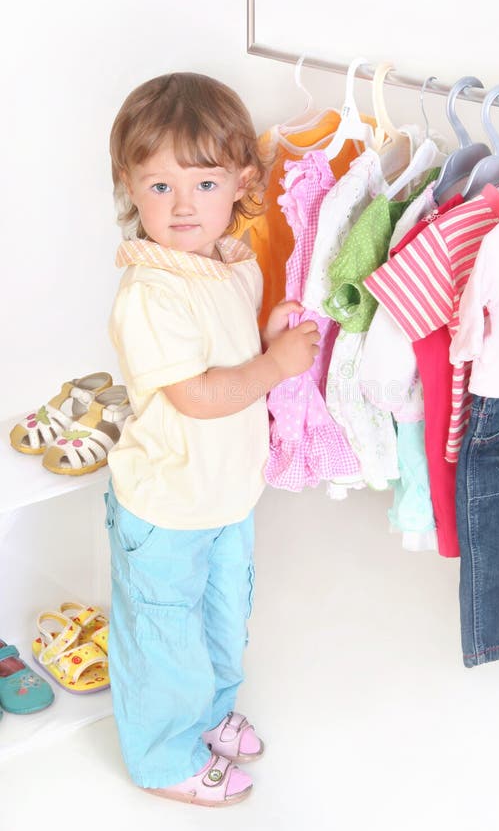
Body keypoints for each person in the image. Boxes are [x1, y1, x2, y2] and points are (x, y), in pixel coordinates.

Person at [104, 72, 319, 807]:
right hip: (167, 501)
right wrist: (272, 365)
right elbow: (196, 395)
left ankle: (206, 712)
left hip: (224, 492)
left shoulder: (228, 261)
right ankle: (164, 757)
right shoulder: (150, 292)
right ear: (130, 188)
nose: (182, 205)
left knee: (221, 614)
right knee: (164, 633)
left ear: (242, 184)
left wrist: (262, 337)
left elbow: (222, 356)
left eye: (202, 183)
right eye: (159, 187)